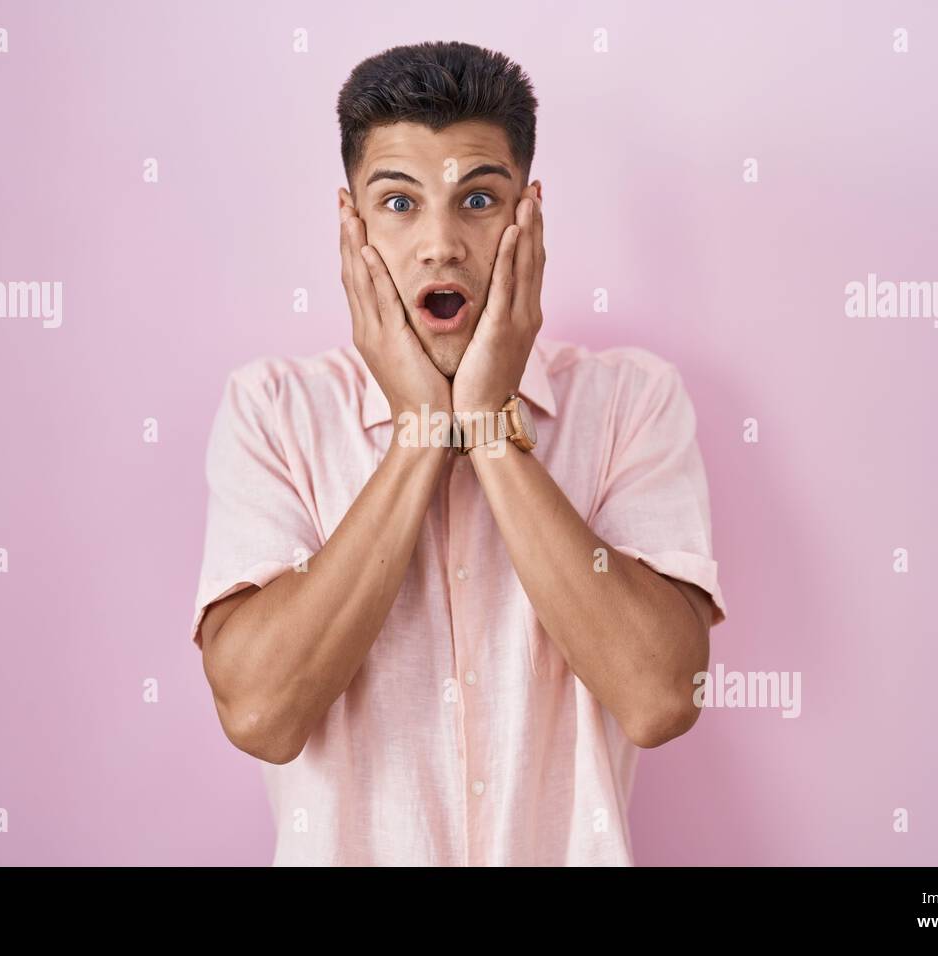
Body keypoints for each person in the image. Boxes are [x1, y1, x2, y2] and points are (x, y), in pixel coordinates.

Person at [190, 40, 727, 866]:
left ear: (528, 216)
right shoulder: (271, 409)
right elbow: (261, 714)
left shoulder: (632, 401)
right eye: (399, 204)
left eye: (478, 199)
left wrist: (488, 425)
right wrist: (418, 435)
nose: (440, 244)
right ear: (352, 223)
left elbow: (661, 698)